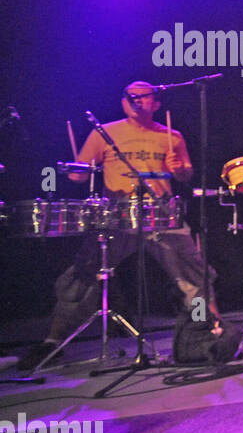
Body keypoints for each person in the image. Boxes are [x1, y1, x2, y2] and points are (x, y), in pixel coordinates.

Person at [15, 81, 218, 370]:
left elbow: (185, 174)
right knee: (82, 275)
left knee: (194, 279)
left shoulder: (172, 135)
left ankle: (206, 331)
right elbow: (81, 171)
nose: (135, 100)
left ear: (155, 103)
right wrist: (76, 173)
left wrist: (181, 169)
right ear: (123, 102)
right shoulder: (104, 133)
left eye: (143, 97)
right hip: (116, 217)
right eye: (129, 97)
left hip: (161, 214)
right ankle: (53, 342)